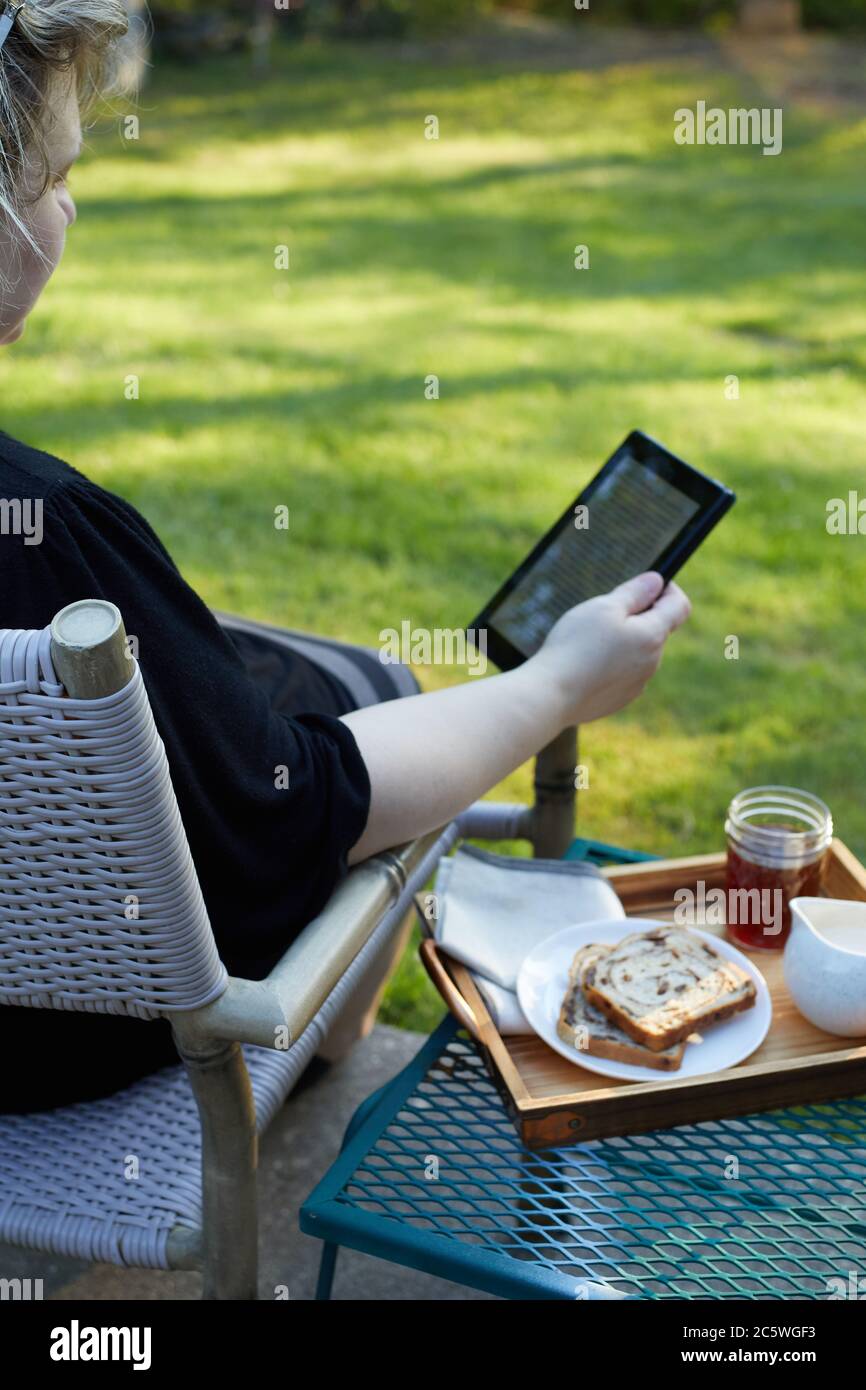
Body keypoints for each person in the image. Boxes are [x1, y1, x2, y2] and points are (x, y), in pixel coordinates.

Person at [0, 1, 690, 1112]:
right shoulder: (46, 533)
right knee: (370, 690)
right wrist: (556, 683)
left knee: (277, 668)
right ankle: (325, 1052)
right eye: (54, 180)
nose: (69, 210)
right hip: (57, 1051)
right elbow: (292, 813)